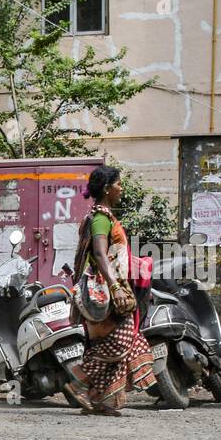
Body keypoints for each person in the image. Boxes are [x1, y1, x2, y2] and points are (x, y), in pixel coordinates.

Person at [69, 165, 157, 416]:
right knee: (119, 342)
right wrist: (115, 285)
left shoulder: (103, 216)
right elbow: (99, 252)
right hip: (108, 292)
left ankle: (99, 401)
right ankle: (80, 385)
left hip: (114, 287)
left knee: (115, 345)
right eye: (118, 184)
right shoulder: (100, 218)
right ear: (107, 188)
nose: (122, 188)